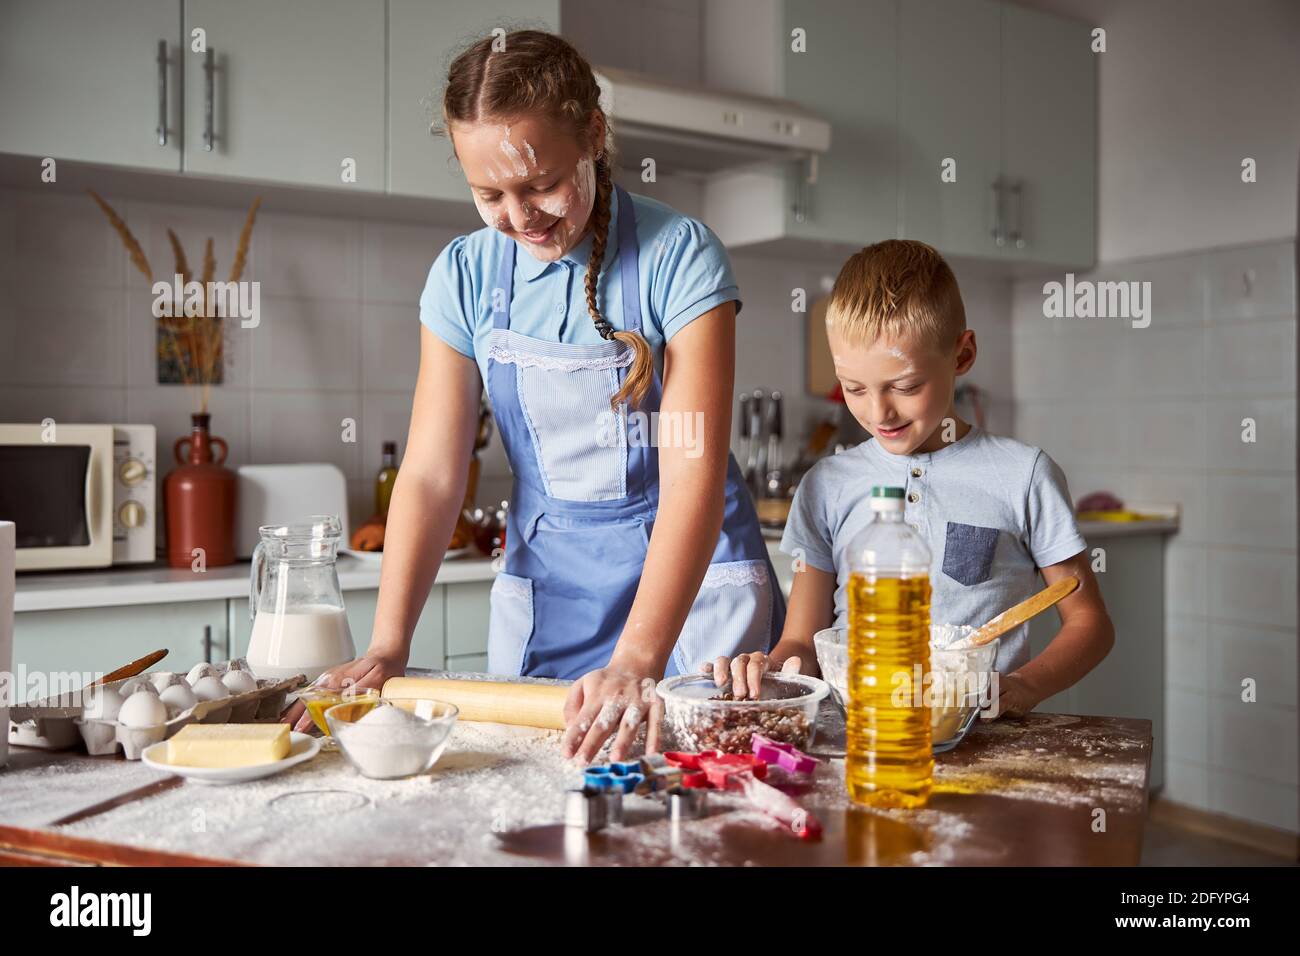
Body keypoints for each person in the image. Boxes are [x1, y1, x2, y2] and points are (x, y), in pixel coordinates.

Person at [286, 30, 784, 762]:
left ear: (594, 133)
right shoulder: (462, 276)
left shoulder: (680, 256)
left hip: (691, 591)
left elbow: (692, 470)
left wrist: (639, 660)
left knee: (703, 801)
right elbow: (430, 474)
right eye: (489, 193)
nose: (520, 217)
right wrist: (389, 644)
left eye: (541, 184)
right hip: (553, 588)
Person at [709, 239, 1114, 719]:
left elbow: (1089, 622)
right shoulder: (826, 485)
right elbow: (804, 639)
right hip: (862, 736)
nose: (879, 411)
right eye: (854, 389)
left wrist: (1025, 686)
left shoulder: (1022, 475)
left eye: (905, 386)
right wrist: (773, 670)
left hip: (983, 737)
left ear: (962, 357)